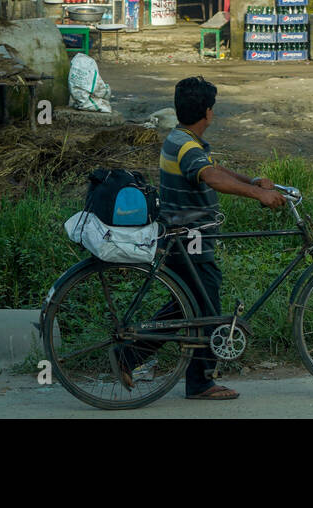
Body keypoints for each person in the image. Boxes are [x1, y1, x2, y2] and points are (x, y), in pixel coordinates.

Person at [125, 76, 287, 401]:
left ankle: (127, 357)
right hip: (189, 241)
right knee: (206, 310)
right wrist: (256, 194)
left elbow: (214, 167)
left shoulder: (181, 139)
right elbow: (211, 176)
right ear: (208, 113)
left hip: (184, 238)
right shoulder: (187, 147)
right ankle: (199, 383)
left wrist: (254, 180)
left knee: (186, 307)